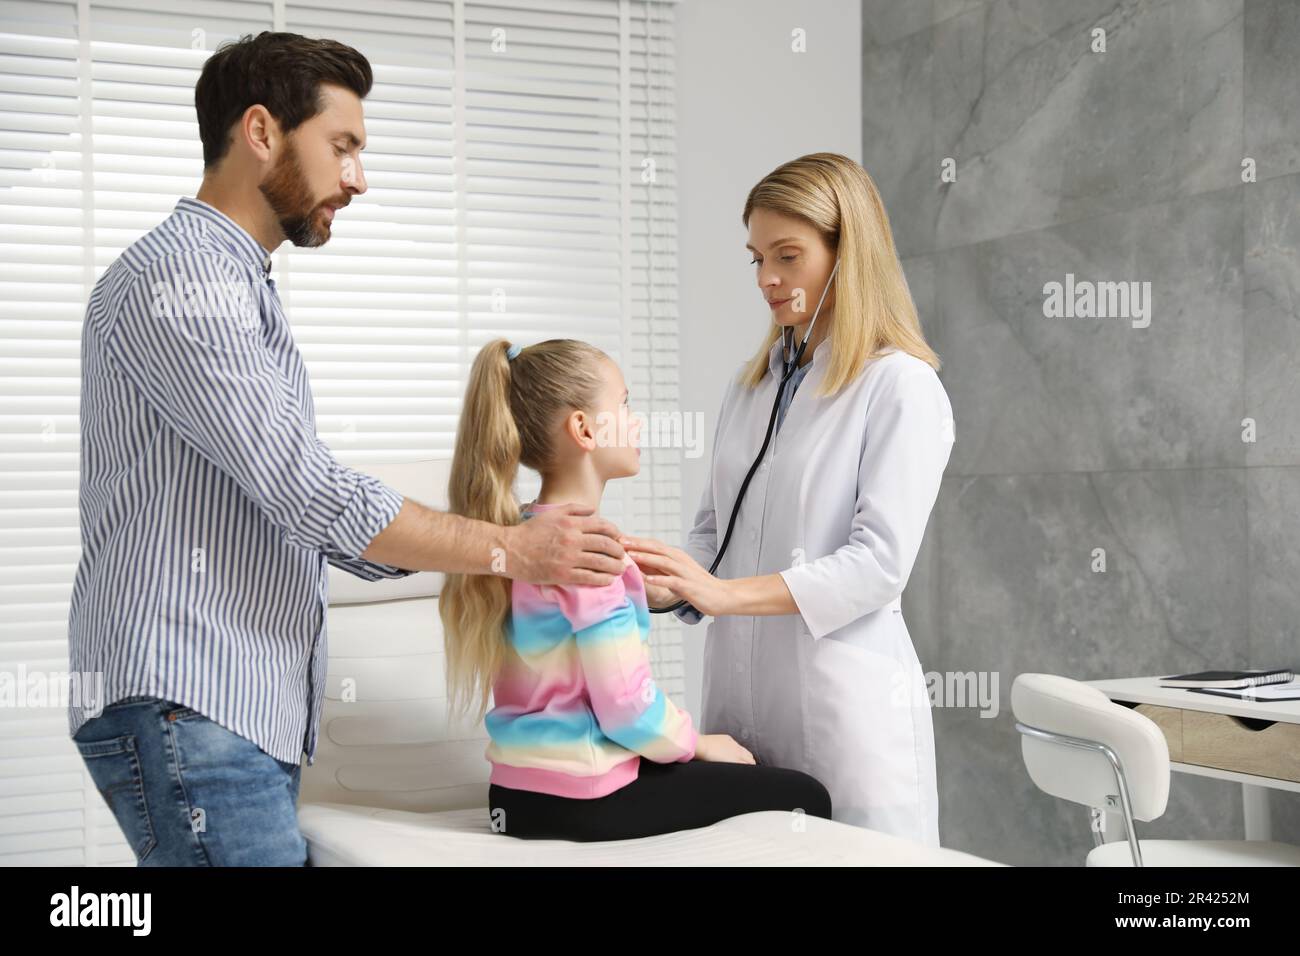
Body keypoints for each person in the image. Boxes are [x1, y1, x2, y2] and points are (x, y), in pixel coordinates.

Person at [68, 32, 626, 866]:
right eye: (343, 146)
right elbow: (305, 490)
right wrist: (509, 547)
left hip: (215, 707)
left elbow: (291, 501)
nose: (357, 177)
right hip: (191, 697)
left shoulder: (228, 282)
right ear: (261, 131)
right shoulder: (184, 280)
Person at [622, 152, 955, 846]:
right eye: (756, 258)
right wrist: (645, 583)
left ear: (847, 252)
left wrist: (723, 596)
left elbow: (878, 565)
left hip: (845, 715)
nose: (768, 278)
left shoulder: (900, 386)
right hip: (739, 712)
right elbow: (715, 532)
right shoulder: (750, 388)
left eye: (789, 255)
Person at [438, 338, 832, 841]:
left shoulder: (516, 535)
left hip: (515, 797)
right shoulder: (590, 550)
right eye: (624, 405)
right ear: (583, 429)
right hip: (585, 798)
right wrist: (697, 741)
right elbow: (627, 709)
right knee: (806, 796)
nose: (637, 421)